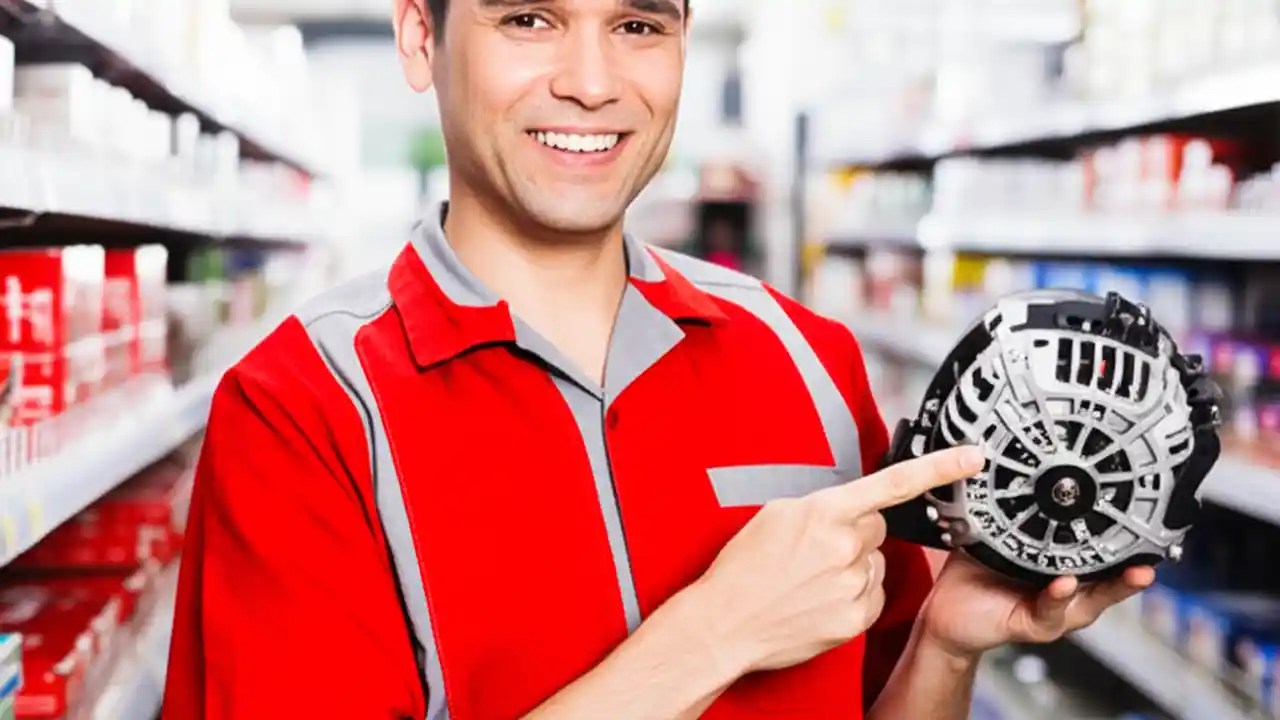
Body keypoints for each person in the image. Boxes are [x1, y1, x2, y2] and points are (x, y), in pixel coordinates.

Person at [162, 1, 1155, 717]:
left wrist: (942, 645)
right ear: (420, 36)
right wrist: (717, 632)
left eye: (638, 24)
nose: (592, 83)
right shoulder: (302, 409)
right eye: (527, 20)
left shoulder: (807, 358)